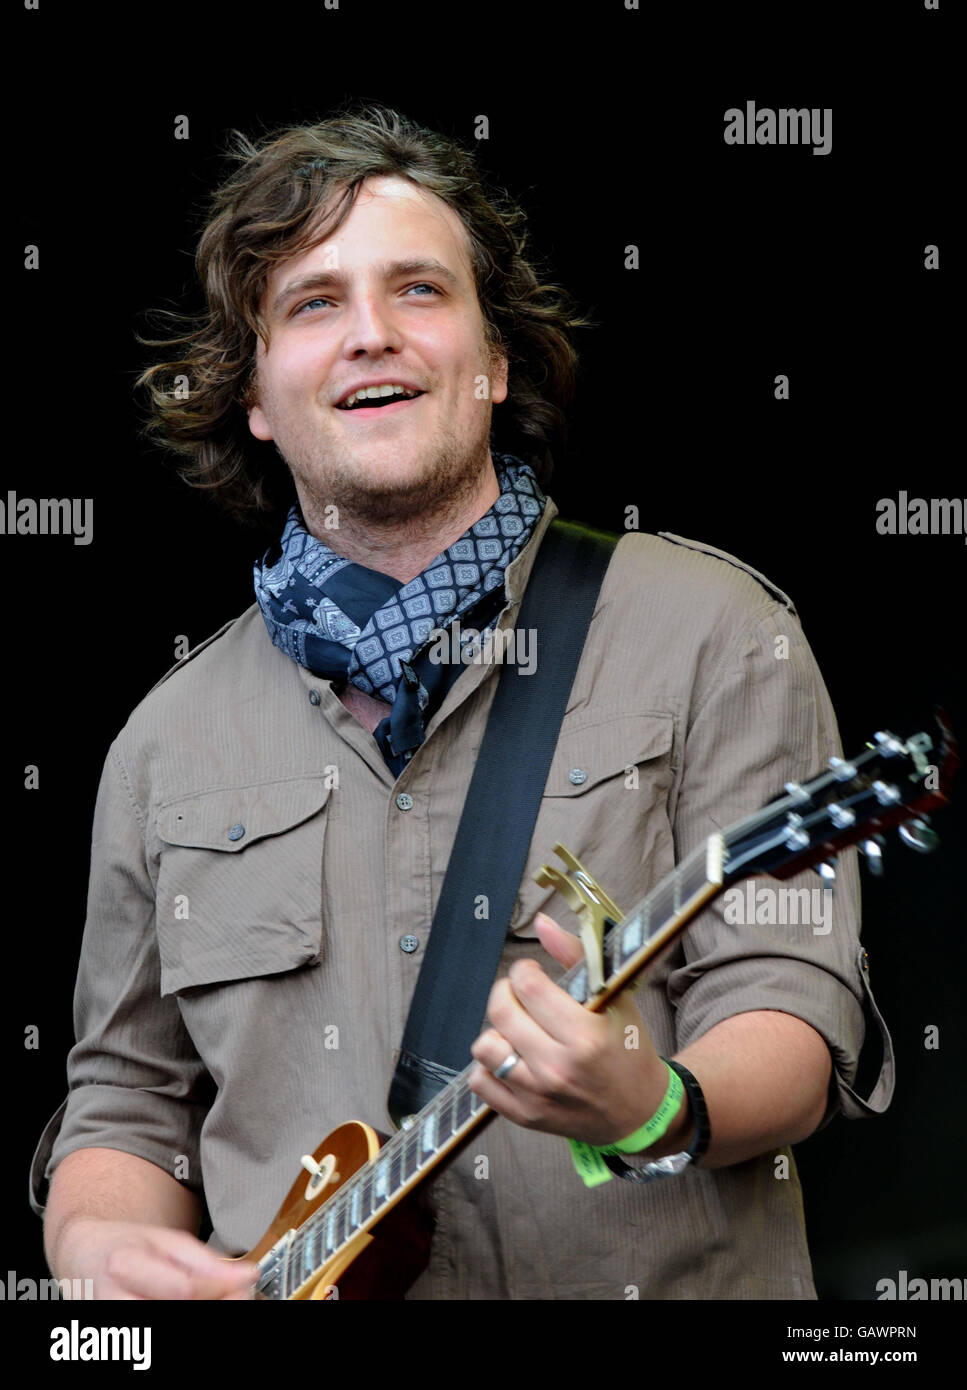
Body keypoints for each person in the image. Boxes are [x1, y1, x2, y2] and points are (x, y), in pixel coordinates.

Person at [31, 104, 891, 1301]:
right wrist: (97, 1254)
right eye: (313, 303)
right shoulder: (163, 743)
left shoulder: (714, 631)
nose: (370, 335)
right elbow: (126, 1100)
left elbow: (790, 1014)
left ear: (492, 363)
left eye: (420, 291)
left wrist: (651, 1105)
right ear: (256, 397)